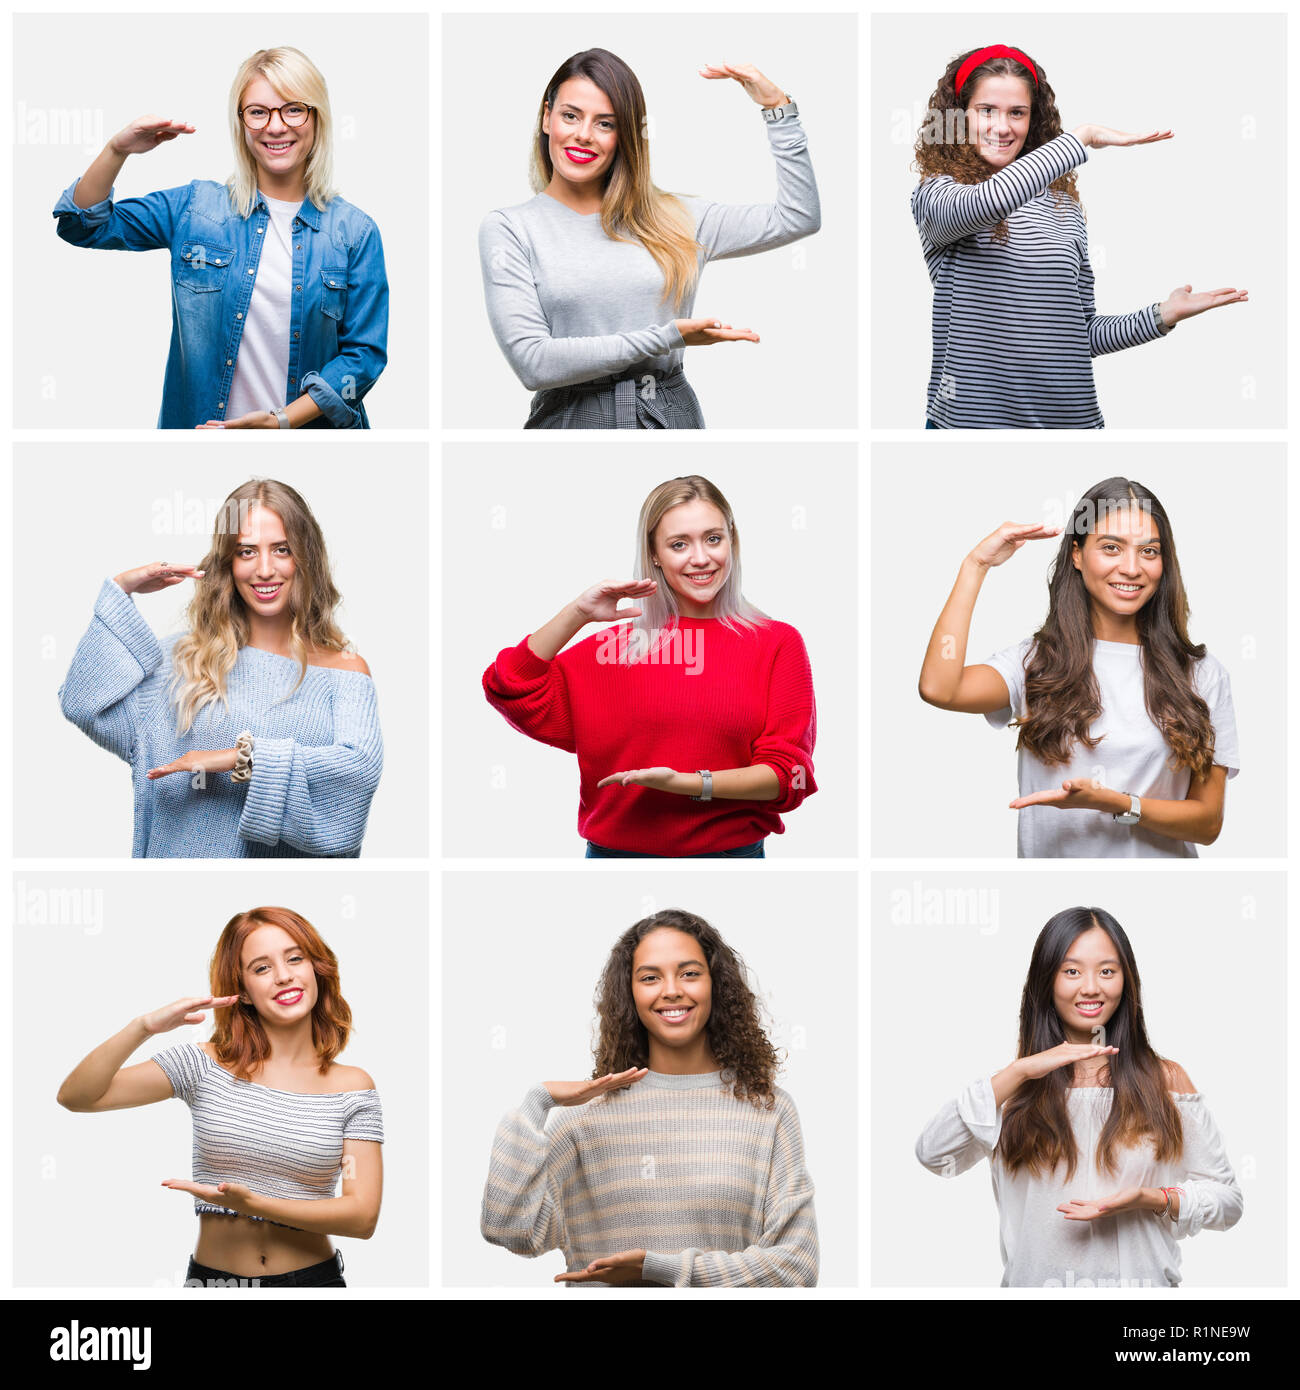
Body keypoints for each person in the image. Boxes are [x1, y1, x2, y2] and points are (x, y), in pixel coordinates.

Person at [478, 48, 819, 428]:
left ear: (626, 134)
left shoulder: (675, 219)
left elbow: (798, 216)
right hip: (572, 416)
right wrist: (667, 337)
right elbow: (533, 364)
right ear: (547, 118)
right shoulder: (510, 229)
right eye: (570, 116)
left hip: (669, 412)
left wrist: (777, 109)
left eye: (605, 123)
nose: (583, 135)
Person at [912, 43, 1246, 428]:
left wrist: (1162, 315)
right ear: (957, 117)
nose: (1002, 127)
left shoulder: (1063, 208)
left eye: (1017, 113)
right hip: (972, 428)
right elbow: (988, 202)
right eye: (987, 110)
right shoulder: (937, 195)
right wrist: (1081, 138)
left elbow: (1080, 334)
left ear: (1032, 120)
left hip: (1072, 427)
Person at [52, 46, 388, 429]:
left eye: (293, 109)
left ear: (317, 117)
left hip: (309, 446)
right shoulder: (196, 209)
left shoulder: (354, 232)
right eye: (258, 112)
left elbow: (364, 358)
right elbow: (81, 225)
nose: (275, 126)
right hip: (200, 441)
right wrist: (117, 150)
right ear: (241, 122)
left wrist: (280, 422)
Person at [482, 474, 817, 856]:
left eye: (713, 538)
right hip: (614, 857)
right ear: (655, 554)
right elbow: (508, 685)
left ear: (732, 541)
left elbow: (790, 774)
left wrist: (690, 784)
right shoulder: (616, 649)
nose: (701, 558)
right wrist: (577, 613)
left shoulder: (776, 643)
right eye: (679, 544)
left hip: (730, 857)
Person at [481, 908, 818, 1286]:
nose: (672, 989)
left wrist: (662, 1269)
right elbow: (509, 1228)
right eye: (650, 977)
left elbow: (796, 1266)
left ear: (716, 985)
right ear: (630, 993)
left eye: (689, 973)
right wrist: (536, 1103)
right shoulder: (583, 1121)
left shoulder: (767, 1110)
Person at [57, 906, 383, 1288]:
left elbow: (362, 1218)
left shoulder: (353, 1087)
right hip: (212, 1284)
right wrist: (144, 1027)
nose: (283, 976)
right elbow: (77, 1096)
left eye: (295, 958)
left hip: (313, 1282)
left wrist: (255, 1205)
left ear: (316, 969)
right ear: (242, 990)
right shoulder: (203, 1064)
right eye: (261, 968)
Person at [915, 906, 1242, 1287]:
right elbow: (934, 1154)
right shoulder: (1012, 1089)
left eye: (1107, 971)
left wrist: (1153, 1197)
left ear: (1126, 979)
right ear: (1046, 981)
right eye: (1072, 971)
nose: (1091, 987)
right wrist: (1020, 1070)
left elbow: (1228, 1202)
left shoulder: (1165, 1079)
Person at [58, 477, 383, 857]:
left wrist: (244, 757)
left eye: (281, 549)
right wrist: (121, 591)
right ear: (227, 562)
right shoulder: (182, 661)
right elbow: (83, 705)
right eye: (246, 551)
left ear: (304, 557)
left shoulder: (344, 671)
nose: (264, 569)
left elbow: (355, 780)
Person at [917, 476, 1238, 857]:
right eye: (1111, 547)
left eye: (1149, 551)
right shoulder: (1034, 663)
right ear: (1077, 554)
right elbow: (940, 688)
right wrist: (976, 565)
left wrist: (1118, 804)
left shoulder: (1202, 674)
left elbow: (1208, 823)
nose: (1132, 568)